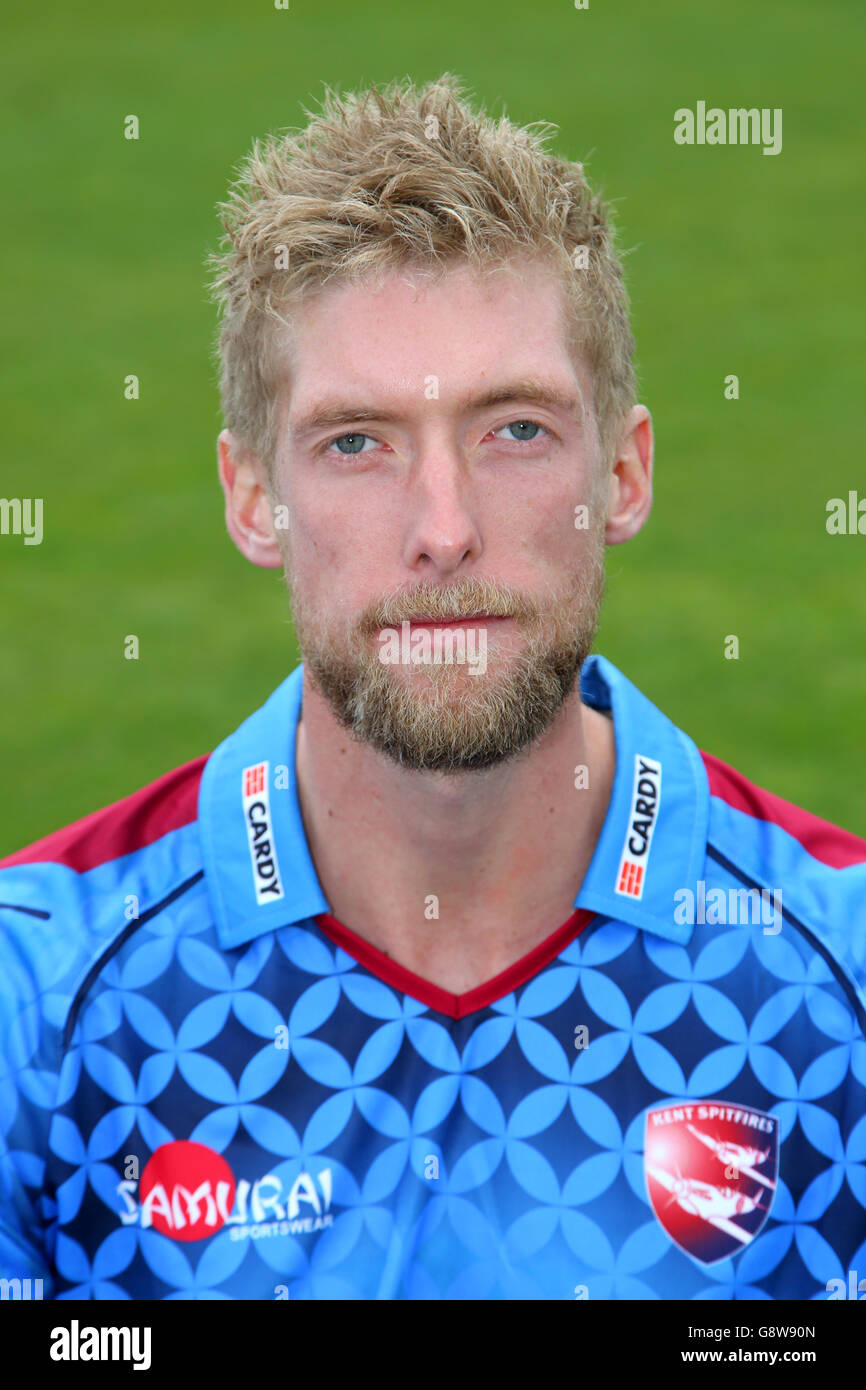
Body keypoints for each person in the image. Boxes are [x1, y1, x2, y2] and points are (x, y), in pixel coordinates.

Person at [1, 73, 863, 1301]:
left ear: (621, 475)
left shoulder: (839, 976)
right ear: (253, 499)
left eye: (514, 430)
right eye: (355, 443)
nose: (443, 530)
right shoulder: (36, 1001)